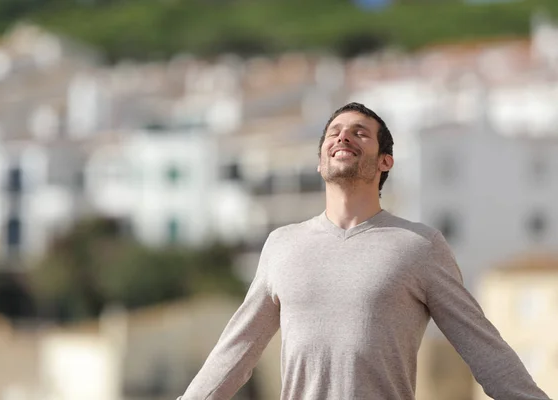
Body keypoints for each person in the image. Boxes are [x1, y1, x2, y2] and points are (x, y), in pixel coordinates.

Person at [177, 103, 551, 400]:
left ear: (385, 161)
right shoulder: (281, 244)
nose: (344, 137)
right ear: (320, 160)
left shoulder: (419, 246)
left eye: (360, 133)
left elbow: (483, 347)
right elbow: (236, 350)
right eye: (334, 133)